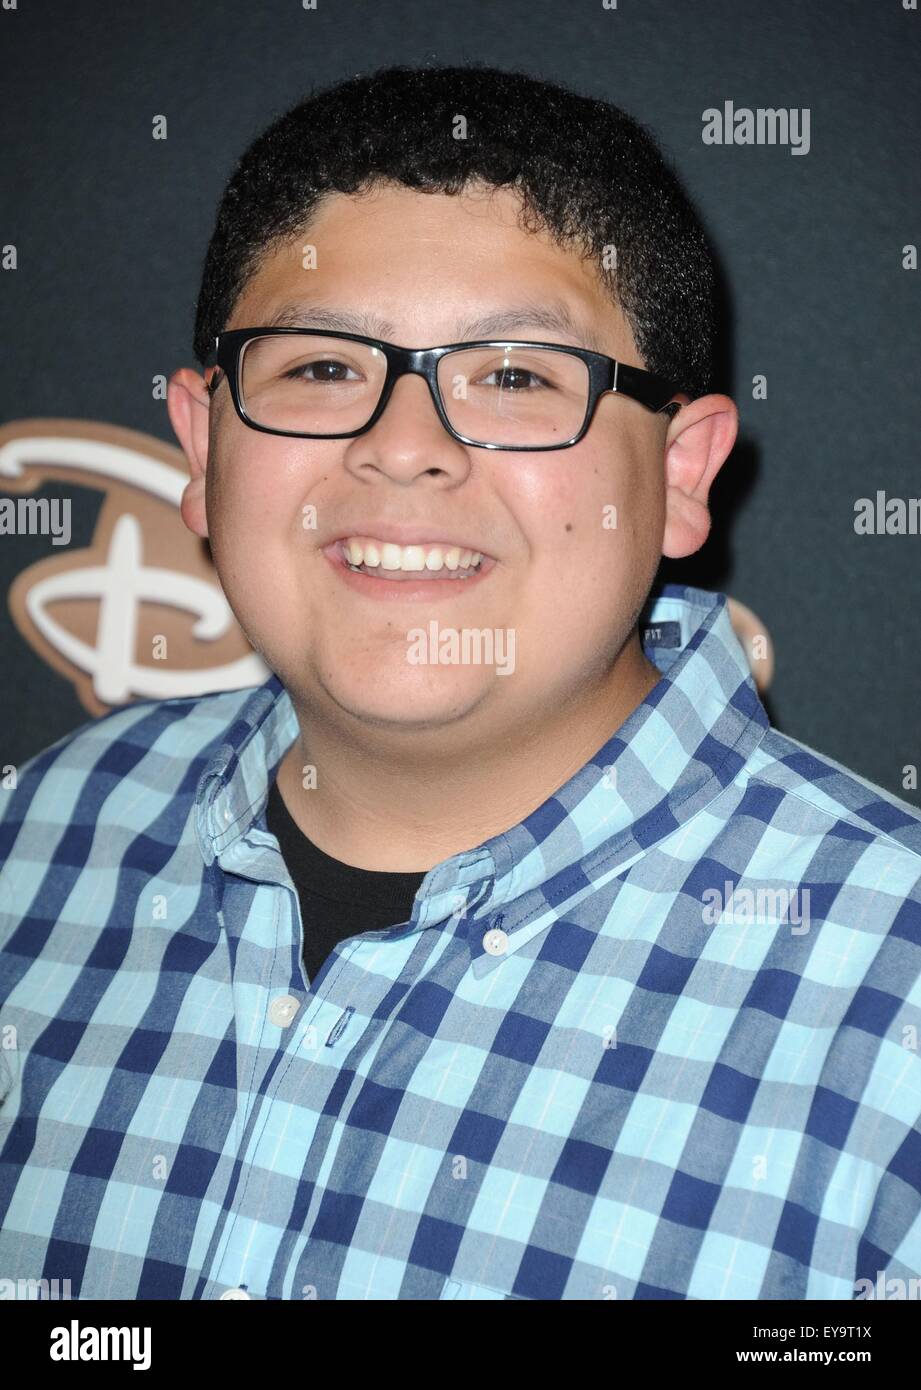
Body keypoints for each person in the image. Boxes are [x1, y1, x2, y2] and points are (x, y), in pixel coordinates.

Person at [1, 63, 919, 1303]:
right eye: (323, 367)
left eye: (517, 377)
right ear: (207, 450)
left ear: (686, 474)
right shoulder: (38, 838)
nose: (405, 448)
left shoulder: (894, 995)